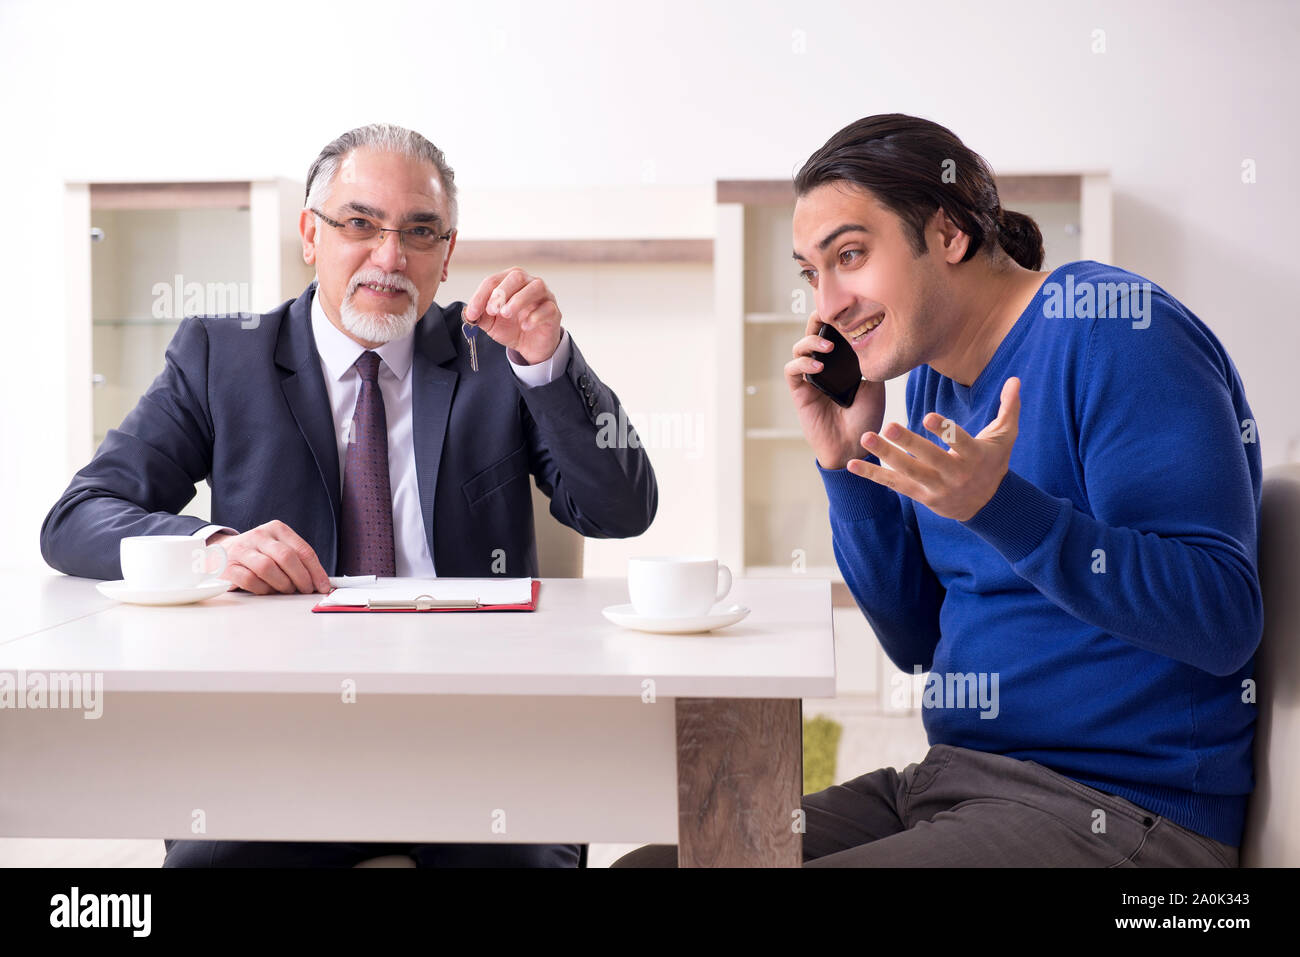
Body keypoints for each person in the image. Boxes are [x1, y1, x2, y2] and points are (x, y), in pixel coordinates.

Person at [615, 113, 1255, 867]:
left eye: (849, 255)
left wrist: (1005, 510)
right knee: (659, 865)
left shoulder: (1112, 331)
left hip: (1119, 811)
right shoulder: (932, 384)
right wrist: (848, 468)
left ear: (949, 233)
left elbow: (1223, 618)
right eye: (810, 274)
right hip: (955, 782)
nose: (826, 304)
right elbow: (917, 641)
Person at [41, 122, 658, 867]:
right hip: (278, 745)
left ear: (447, 253)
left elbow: (622, 509)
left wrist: (549, 363)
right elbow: (78, 515)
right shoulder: (221, 355)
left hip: (481, 739)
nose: (390, 257)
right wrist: (211, 548)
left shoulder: (496, 357)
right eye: (360, 224)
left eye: (419, 231)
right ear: (310, 233)